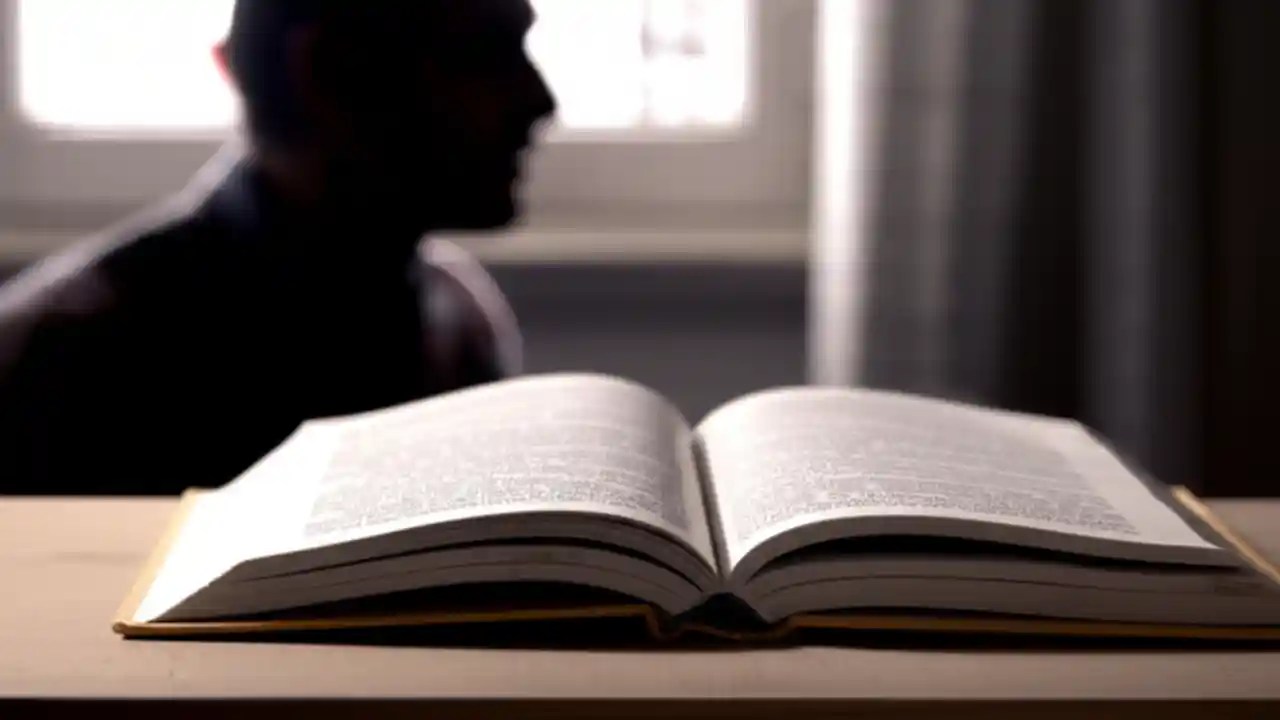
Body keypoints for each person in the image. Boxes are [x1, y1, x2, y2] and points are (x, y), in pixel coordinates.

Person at [0, 0, 557, 494]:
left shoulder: (457, 315)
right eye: (487, 54)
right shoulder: (66, 358)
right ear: (336, 70)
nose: (540, 101)